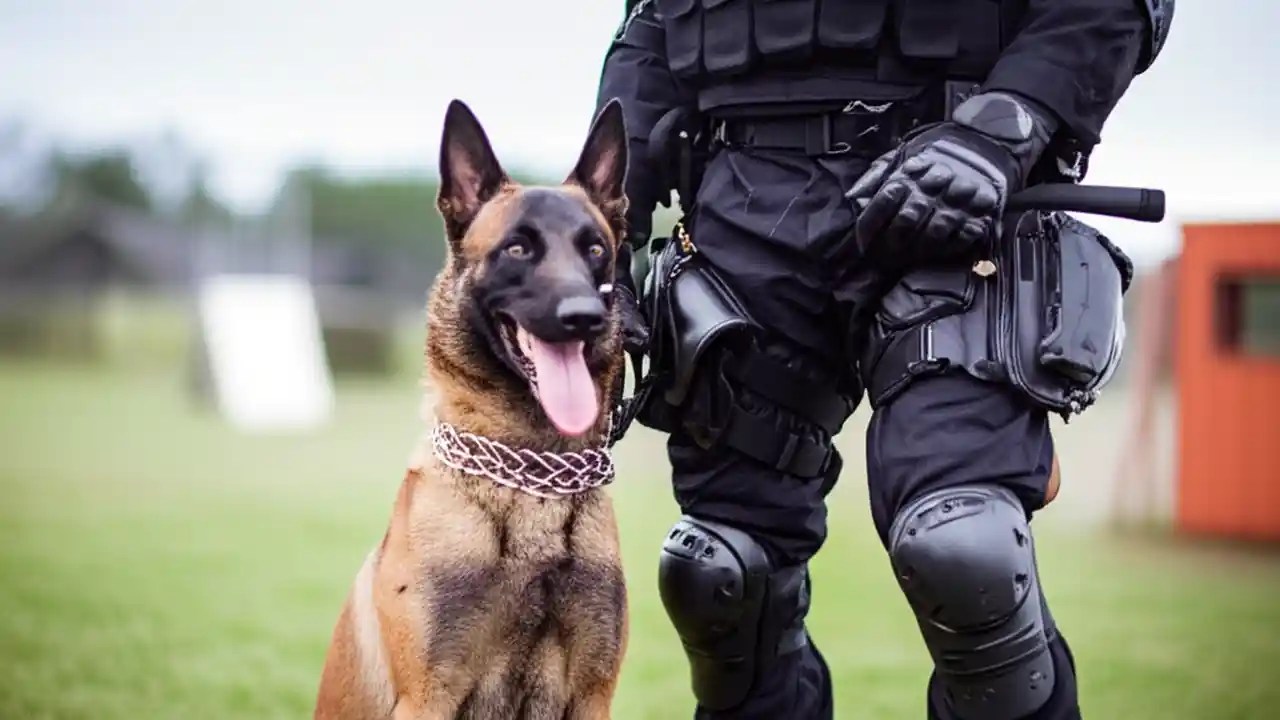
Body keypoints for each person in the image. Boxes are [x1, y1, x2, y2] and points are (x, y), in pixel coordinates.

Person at [596, 1, 1173, 719]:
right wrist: (604, 223)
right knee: (719, 573)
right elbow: (651, 25)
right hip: (745, 198)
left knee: (964, 550)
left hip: (956, 180)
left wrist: (1010, 123)